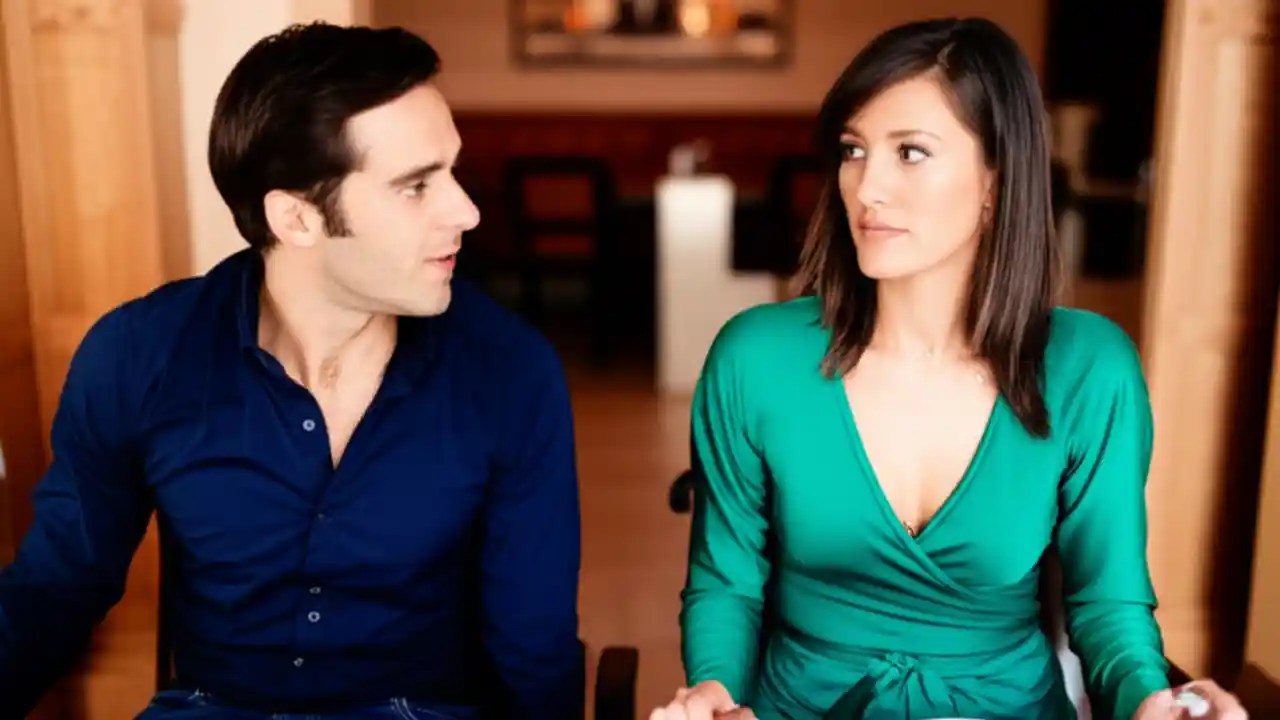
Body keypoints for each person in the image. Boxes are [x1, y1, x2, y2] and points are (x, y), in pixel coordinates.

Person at [652, 17, 1246, 720]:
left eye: (910, 152)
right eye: (853, 150)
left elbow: (1106, 601)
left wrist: (1150, 701)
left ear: (996, 179)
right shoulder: (755, 358)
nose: (866, 187)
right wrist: (713, 694)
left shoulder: (1091, 369)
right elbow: (727, 583)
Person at [0, 22, 582, 719]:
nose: (467, 210)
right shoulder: (139, 355)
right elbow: (56, 586)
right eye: (416, 186)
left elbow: (535, 648)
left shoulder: (510, 371)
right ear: (297, 219)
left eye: (452, 171)